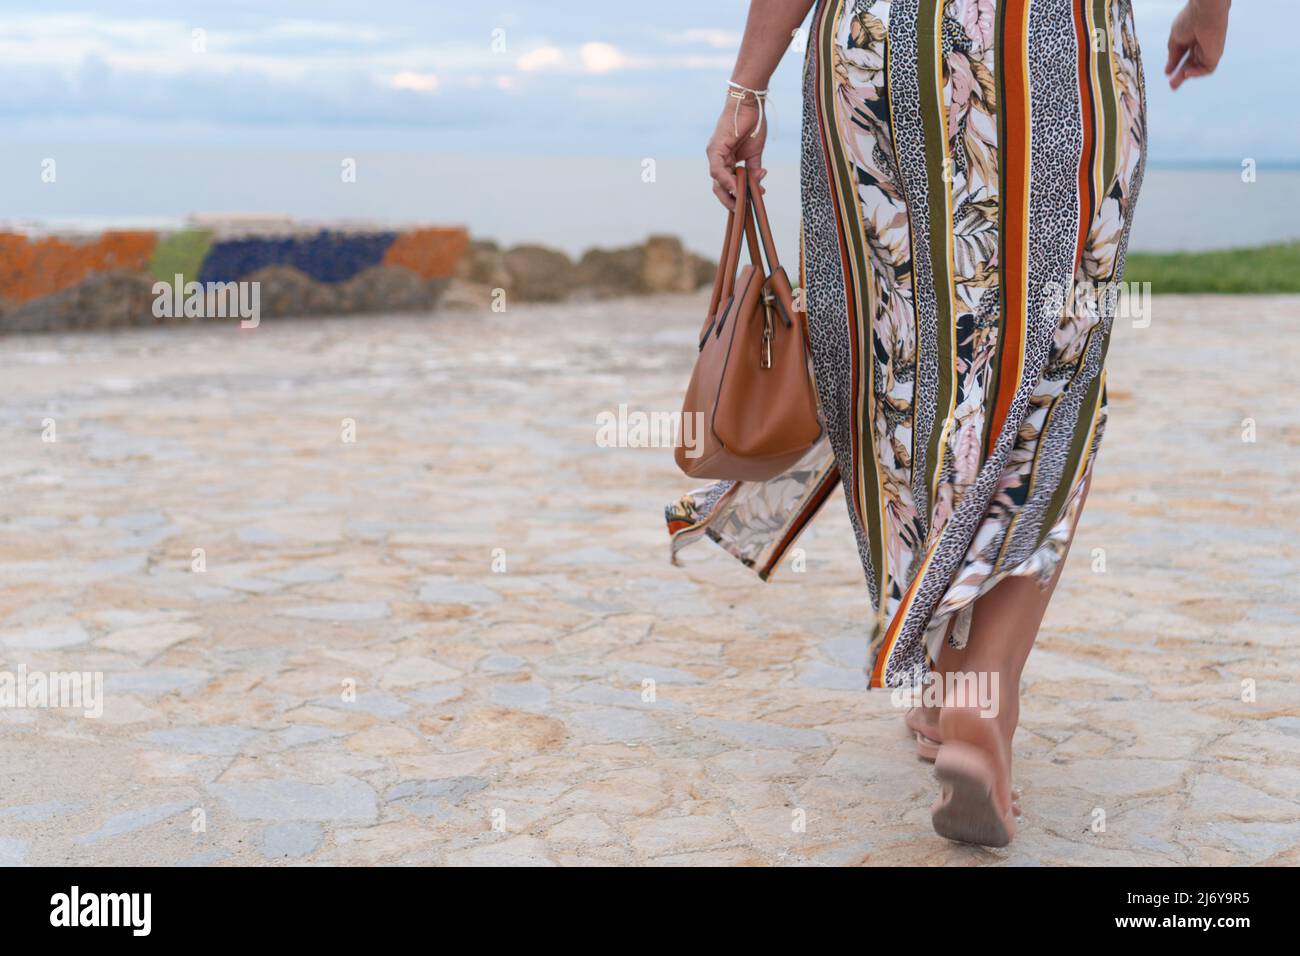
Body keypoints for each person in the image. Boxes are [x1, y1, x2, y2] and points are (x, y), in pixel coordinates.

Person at [667, 0, 1231, 847]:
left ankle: (936, 669)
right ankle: (980, 693)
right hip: (1053, 45)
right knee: (1046, 372)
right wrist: (1209, 9)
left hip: (871, 48)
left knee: (900, 365)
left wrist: (747, 83)